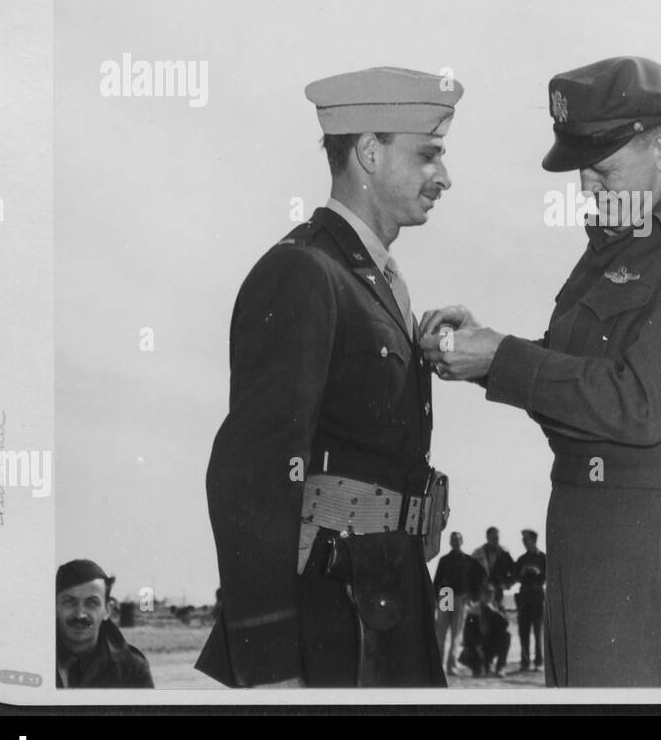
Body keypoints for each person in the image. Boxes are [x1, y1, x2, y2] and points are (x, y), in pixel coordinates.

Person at [420, 56, 661, 687]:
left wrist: (500, 356)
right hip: (586, 535)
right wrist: (480, 354)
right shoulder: (620, 237)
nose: (587, 186)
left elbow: (638, 405)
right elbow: (575, 375)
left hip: (652, 546)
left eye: (602, 168)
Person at [197, 66, 463, 688]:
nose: (444, 177)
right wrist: (271, 666)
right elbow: (250, 474)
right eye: (428, 155)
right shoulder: (304, 272)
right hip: (330, 613)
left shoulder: (376, 281)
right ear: (369, 152)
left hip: (385, 594)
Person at [56, 560, 153, 689]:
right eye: (69, 601)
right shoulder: (34, 658)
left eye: (92, 603)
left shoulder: (131, 670)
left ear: (107, 610)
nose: (80, 614)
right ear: (54, 606)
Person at [433, 531, 485, 675]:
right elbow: (437, 580)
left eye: (458, 540)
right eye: (453, 540)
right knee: (441, 633)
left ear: (462, 541)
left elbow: (481, 576)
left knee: (456, 634)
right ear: (450, 542)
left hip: (461, 597)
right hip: (446, 595)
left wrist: (472, 595)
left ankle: (452, 666)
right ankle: (438, 666)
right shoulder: (444, 560)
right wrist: (434, 599)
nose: (455, 542)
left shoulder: (468, 560)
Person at [513, 529, 547, 671]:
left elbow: (548, 577)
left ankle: (539, 662)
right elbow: (515, 577)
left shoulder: (543, 558)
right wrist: (522, 572)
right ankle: (525, 662)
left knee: (539, 631)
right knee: (523, 631)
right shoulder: (521, 559)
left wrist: (539, 573)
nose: (524, 542)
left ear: (534, 540)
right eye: (523, 540)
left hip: (538, 596)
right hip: (524, 597)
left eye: (526, 540)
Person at [459, 586, 511, 678]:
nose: (488, 597)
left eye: (491, 594)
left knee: (506, 635)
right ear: (481, 596)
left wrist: (494, 612)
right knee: (479, 673)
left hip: (490, 642)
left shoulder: (497, 607)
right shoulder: (474, 610)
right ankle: (481, 666)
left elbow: (505, 624)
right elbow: (468, 633)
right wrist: (477, 647)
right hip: (477, 645)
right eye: (486, 594)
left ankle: (500, 667)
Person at [472, 527, 515, 605]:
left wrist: (507, 584)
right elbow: (470, 573)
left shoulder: (504, 554)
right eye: (493, 538)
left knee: (496, 615)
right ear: (487, 538)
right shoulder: (477, 554)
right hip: (480, 592)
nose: (496, 540)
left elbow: (514, 572)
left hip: (497, 592)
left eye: (497, 538)